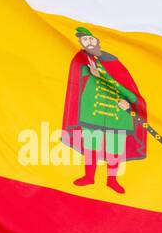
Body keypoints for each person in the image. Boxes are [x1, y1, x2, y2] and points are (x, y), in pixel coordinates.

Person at [59, 26, 148, 194]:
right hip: (93, 112)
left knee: (115, 149)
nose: (89, 42)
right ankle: (89, 177)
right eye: (84, 40)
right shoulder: (82, 60)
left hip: (117, 114)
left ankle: (112, 180)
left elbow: (127, 85)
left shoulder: (113, 61)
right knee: (91, 146)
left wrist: (130, 102)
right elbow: (78, 78)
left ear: (97, 41)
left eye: (90, 39)